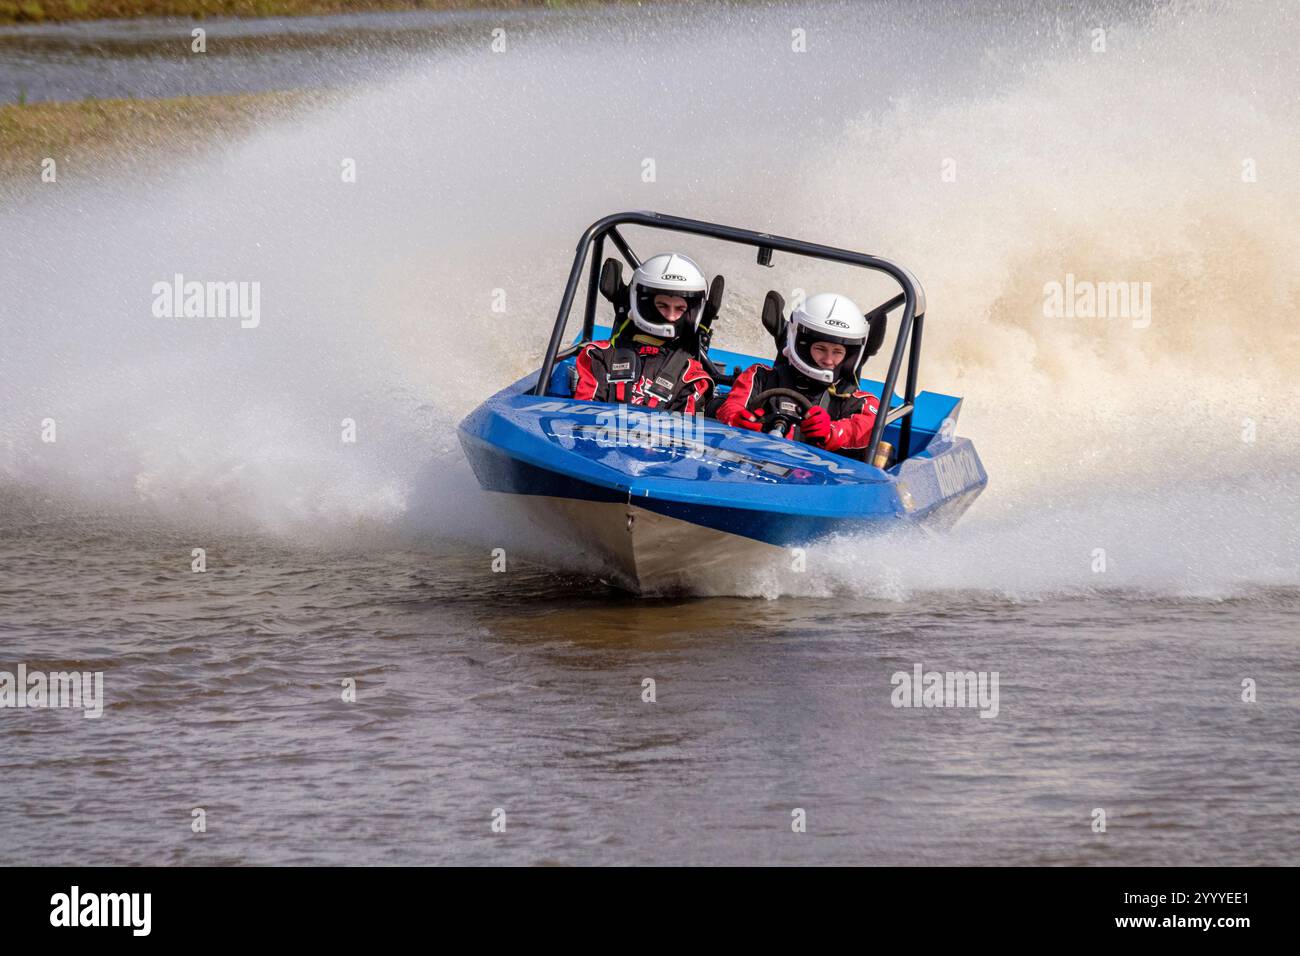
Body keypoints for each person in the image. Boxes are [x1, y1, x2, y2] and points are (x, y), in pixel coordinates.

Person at [715, 292, 880, 457]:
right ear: (803, 345)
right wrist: (737, 420)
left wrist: (832, 432)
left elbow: (866, 428)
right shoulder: (760, 375)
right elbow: (732, 406)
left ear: (849, 356)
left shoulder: (856, 400)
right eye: (820, 349)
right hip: (752, 463)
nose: (829, 360)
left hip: (816, 478)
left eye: (837, 352)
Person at [572, 253, 714, 413]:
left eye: (680, 309)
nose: (671, 316)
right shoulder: (598, 355)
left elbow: (687, 433)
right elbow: (582, 416)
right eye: (663, 305)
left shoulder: (693, 377)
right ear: (645, 304)